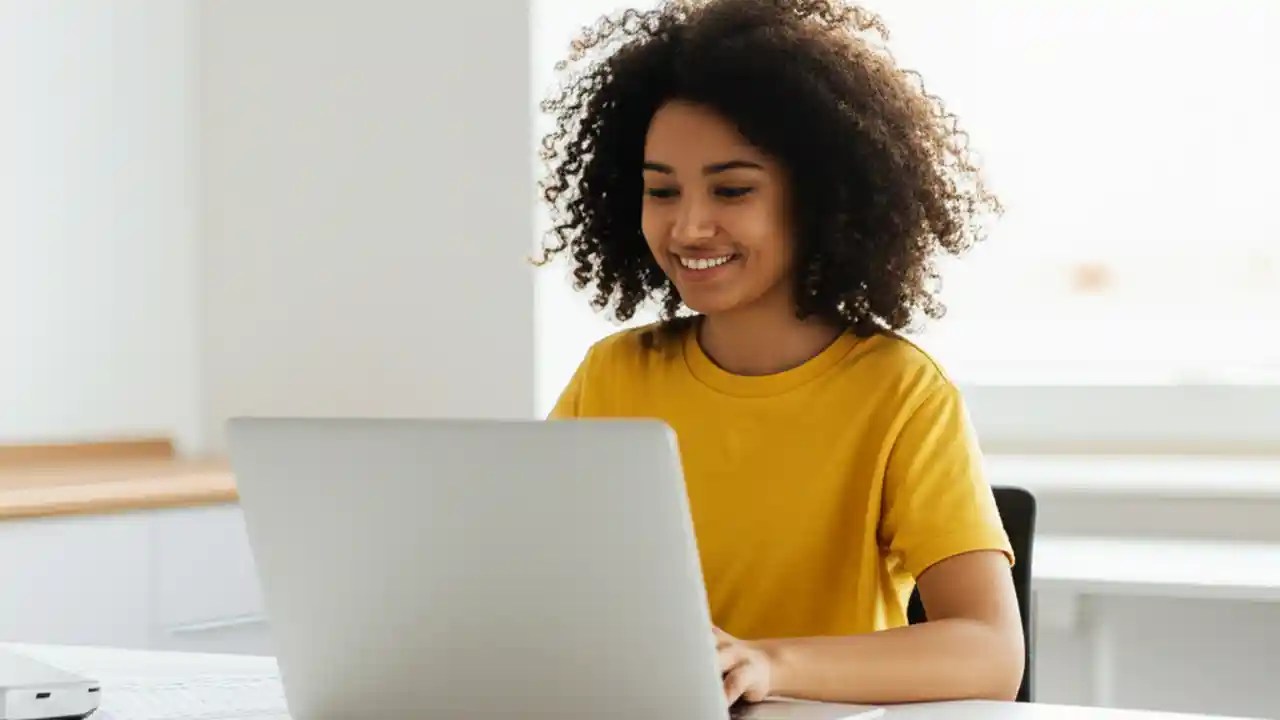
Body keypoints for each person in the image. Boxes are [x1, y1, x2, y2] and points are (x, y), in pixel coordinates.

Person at [535, 0, 1023, 706]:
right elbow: (522, 578)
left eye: (732, 190)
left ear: (819, 199)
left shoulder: (899, 391)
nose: (689, 225)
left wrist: (768, 665)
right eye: (661, 190)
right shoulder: (613, 374)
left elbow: (989, 651)